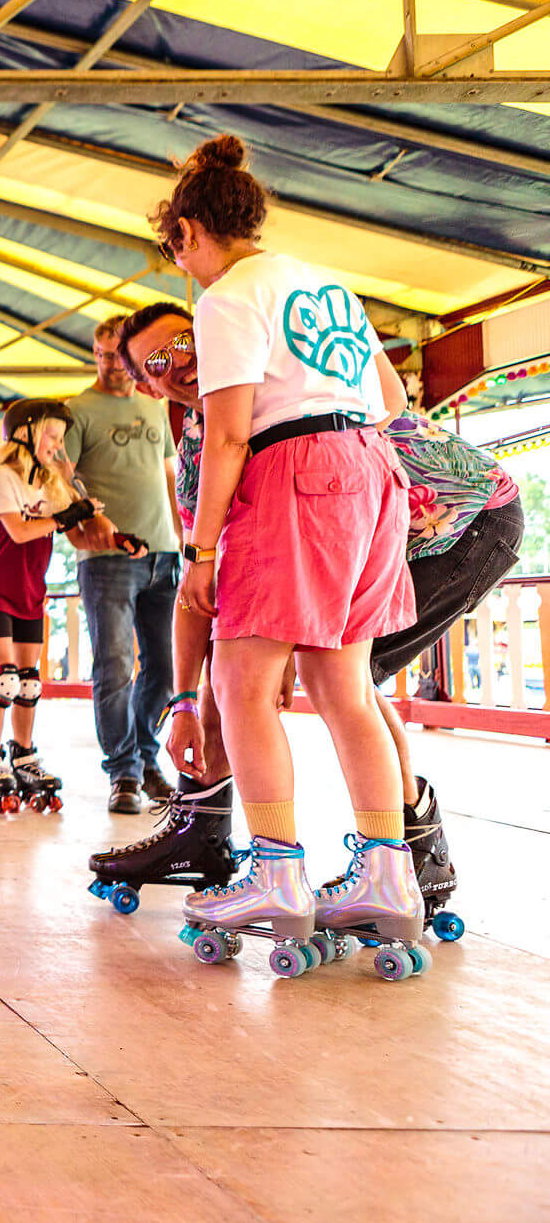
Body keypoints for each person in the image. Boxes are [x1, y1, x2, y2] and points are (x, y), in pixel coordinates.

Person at [89, 300, 523, 945]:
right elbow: (200, 584)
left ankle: (409, 861)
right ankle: (205, 832)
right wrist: (182, 699)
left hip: (463, 523)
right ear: (146, 386)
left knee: (342, 681)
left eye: (182, 341)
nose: (178, 363)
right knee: (258, 671)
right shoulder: (199, 443)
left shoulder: (272, 386)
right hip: (374, 533)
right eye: (157, 362)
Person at [155, 134, 425, 982]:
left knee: (239, 682)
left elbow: (230, 430)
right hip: (371, 474)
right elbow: (392, 397)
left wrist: (202, 551)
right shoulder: (323, 281)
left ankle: (275, 870)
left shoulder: (231, 296)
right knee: (345, 684)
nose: (184, 268)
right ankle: (388, 871)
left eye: (177, 251)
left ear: (193, 232)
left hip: (292, 470)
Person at [62, 315, 183, 815]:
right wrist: (92, 530)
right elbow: (61, 483)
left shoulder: (155, 408)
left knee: (167, 669)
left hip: (166, 553)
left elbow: (169, 478)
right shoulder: (76, 411)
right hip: (108, 558)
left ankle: (146, 758)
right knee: (114, 667)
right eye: (102, 353)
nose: (111, 363)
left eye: (119, 354)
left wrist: (186, 539)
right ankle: (124, 772)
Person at [0, 398, 109, 815]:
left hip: (31, 589)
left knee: (29, 683)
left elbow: (79, 530)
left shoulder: (49, 482)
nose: (56, 446)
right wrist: (66, 516)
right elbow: (18, 531)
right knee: (4, 681)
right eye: (50, 435)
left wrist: (120, 540)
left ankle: (25, 755)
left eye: (60, 439)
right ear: (24, 433)